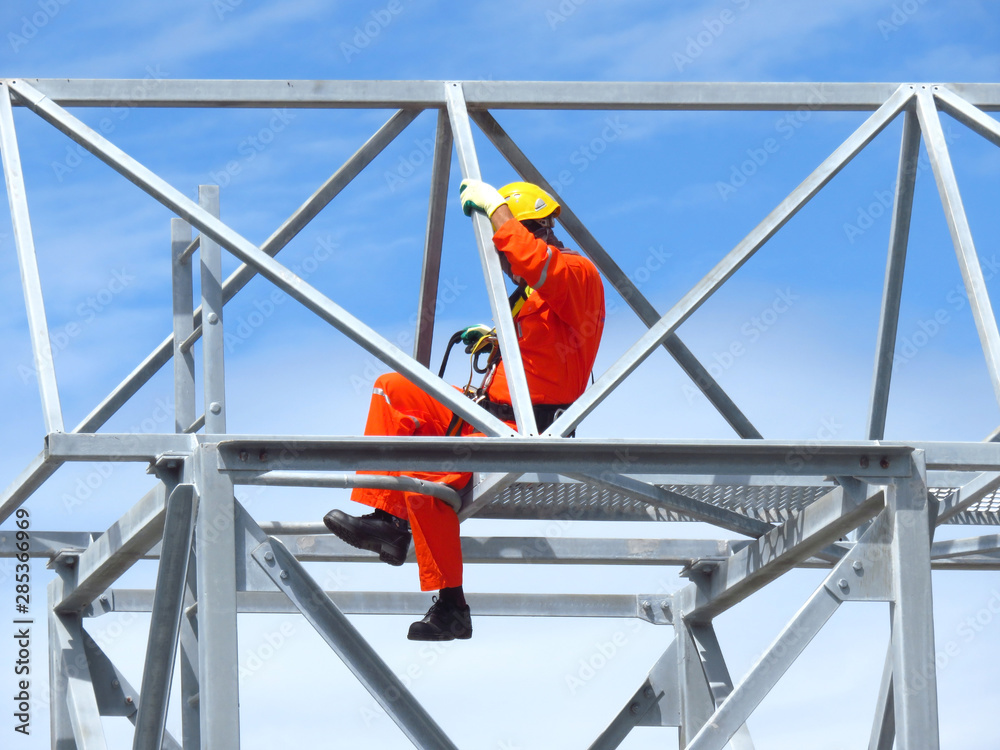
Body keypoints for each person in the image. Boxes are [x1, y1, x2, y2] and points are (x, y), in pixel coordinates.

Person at [323, 179, 605, 640]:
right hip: (489, 415)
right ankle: (388, 521)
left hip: (525, 427)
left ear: (529, 229)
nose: (505, 263)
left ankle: (451, 605)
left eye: (505, 248)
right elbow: (544, 348)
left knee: (425, 478)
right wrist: (497, 341)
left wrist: (496, 210)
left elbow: (534, 261)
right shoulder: (538, 293)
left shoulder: (576, 274)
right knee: (393, 389)